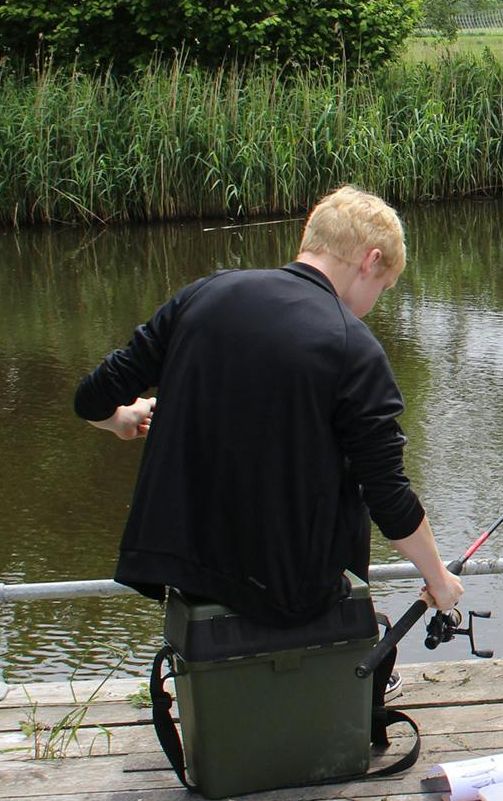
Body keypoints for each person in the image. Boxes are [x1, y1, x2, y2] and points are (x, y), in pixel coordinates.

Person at [74, 185, 463, 638]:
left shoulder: (203, 295)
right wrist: (439, 579)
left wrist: (119, 419)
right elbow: (387, 493)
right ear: (371, 261)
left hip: (186, 571)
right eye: (384, 286)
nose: (375, 302)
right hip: (291, 594)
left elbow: (91, 399)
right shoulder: (352, 345)